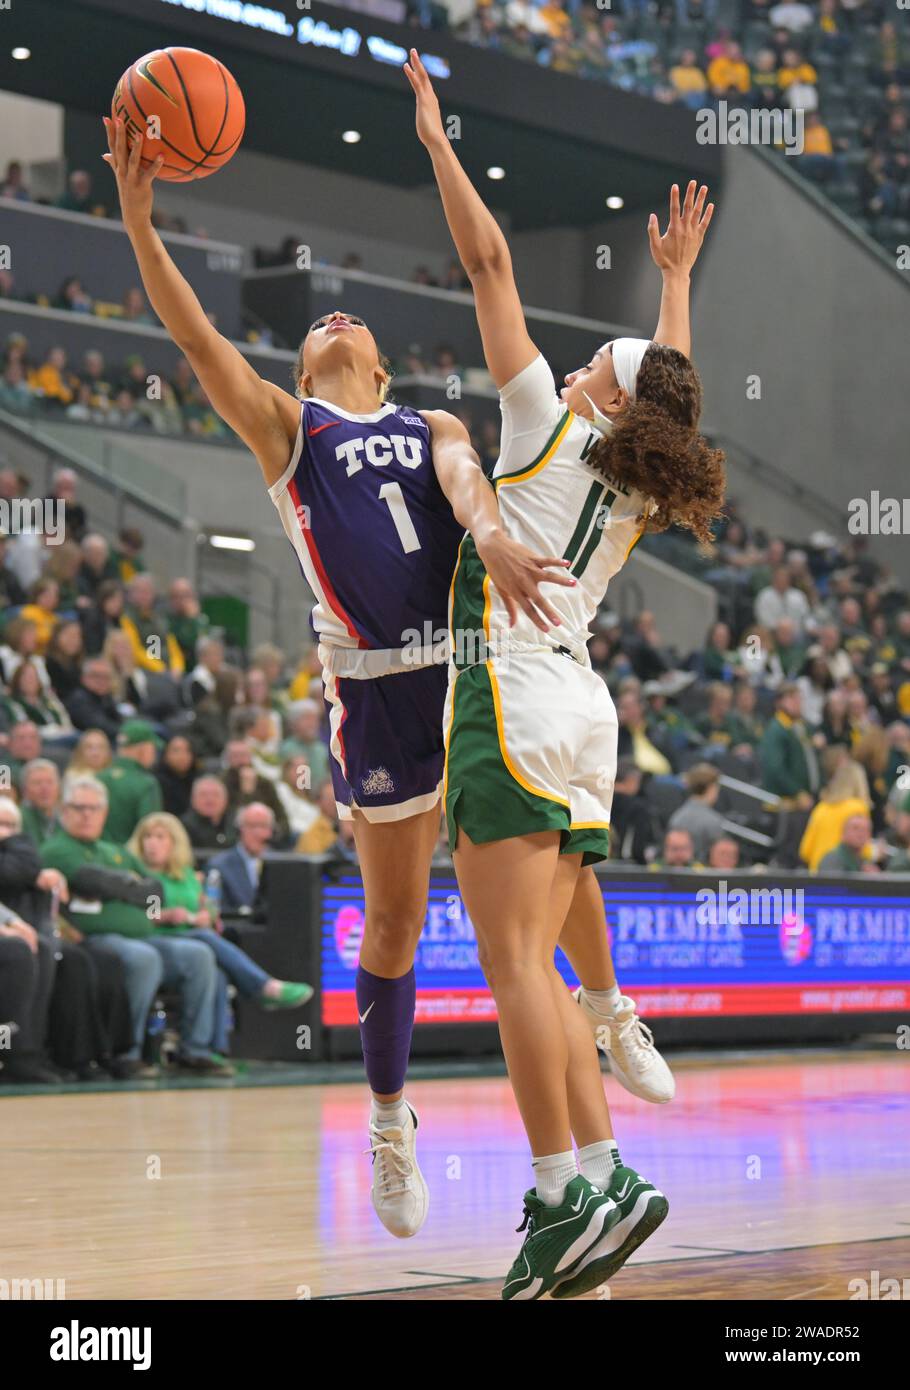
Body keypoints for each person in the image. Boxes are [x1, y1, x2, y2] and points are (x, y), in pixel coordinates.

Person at [103, 105, 661, 1251]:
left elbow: (463, 477)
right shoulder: (285, 427)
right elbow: (201, 338)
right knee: (397, 930)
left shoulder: (432, 418)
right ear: (309, 364)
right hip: (371, 694)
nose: (335, 317)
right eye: (318, 326)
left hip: (469, 675)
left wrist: (493, 531)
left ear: (385, 364)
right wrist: (139, 220)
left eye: (349, 319)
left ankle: (608, 1024)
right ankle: (388, 1114)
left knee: (551, 895)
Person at [407, 50, 723, 1296]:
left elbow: (488, 266)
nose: (594, 352)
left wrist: (437, 143)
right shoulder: (643, 481)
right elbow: (673, 398)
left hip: (511, 689)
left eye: (609, 350)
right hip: (580, 707)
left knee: (510, 968)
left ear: (599, 386)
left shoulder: (546, 419)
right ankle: (602, 1171)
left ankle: (560, 1194)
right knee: (531, 961)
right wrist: (677, 287)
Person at [40, 775, 230, 1076]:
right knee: (143, 959)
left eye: (95, 808)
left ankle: (195, 1050)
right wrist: (128, 886)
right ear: (64, 811)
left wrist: (116, 886)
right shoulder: (57, 849)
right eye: (79, 807)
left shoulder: (115, 851)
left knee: (199, 955)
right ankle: (127, 1053)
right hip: (93, 939)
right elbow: (90, 879)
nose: (87, 814)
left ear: (105, 813)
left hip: (145, 936)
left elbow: (155, 890)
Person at [129, 811, 312, 1052]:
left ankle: (210, 1050)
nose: (152, 843)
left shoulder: (186, 876)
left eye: (161, 837)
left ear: (174, 843)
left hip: (193, 943)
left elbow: (207, 907)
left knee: (217, 967)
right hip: (154, 940)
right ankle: (264, 987)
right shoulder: (136, 876)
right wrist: (167, 915)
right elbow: (130, 917)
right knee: (204, 941)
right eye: (148, 837)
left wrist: (208, 915)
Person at [97, 719, 164, 844]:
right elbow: (149, 830)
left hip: (99, 856)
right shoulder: (147, 784)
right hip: (129, 859)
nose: (155, 755)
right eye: (153, 748)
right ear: (143, 749)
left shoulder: (98, 778)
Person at [207, 802, 276, 913]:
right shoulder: (219, 866)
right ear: (239, 829)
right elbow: (217, 911)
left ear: (271, 831)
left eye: (263, 826)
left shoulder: (280, 864)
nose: (258, 833)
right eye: (252, 826)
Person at [181, 776, 235, 851]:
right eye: (203, 794)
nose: (210, 800)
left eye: (216, 795)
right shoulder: (183, 828)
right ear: (193, 799)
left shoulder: (236, 824)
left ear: (226, 800)